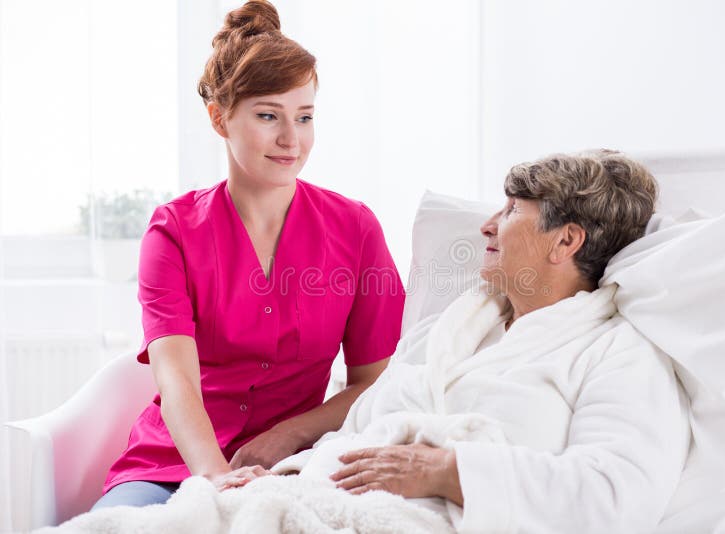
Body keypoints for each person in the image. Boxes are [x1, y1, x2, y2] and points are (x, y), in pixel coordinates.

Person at [269, 149, 691, 532]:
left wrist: (448, 473)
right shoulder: (443, 331)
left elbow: (615, 495)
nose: (487, 227)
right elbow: (353, 437)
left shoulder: (618, 352)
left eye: (510, 211)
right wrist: (287, 476)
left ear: (565, 240)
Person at [92, 0, 405, 509]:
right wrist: (214, 476)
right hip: (172, 464)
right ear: (219, 118)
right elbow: (176, 384)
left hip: (297, 465)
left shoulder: (356, 229)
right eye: (268, 116)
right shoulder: (172, 233)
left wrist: (289, 434)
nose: (291, 140)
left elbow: (376, 382)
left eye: (304, 117)